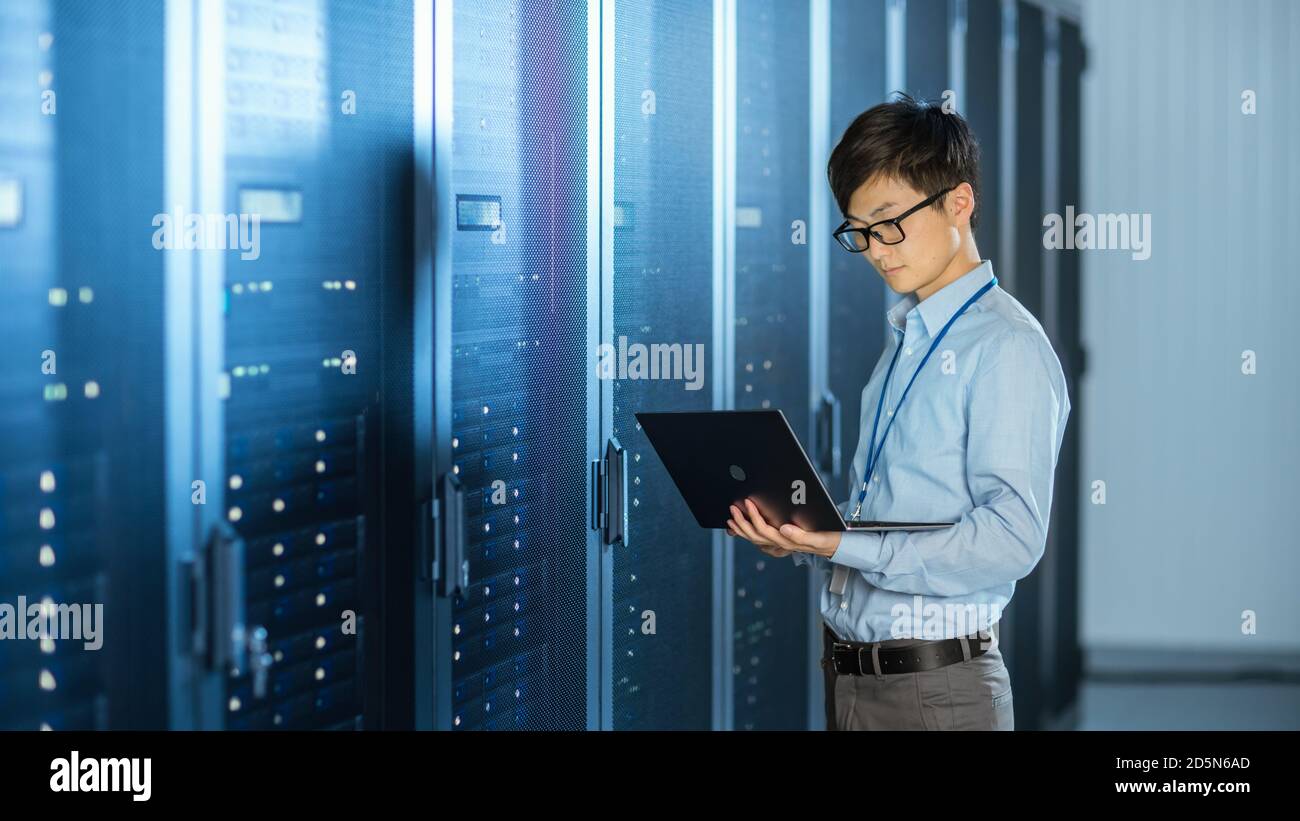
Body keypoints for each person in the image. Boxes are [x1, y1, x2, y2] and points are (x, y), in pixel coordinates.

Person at [726, 94, 1070, 730]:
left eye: (889, 222)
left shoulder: (1006, 348)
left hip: (937, 692)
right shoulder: (908, 341)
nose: (876, 250)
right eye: (858, 232)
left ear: (957, 203)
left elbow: (1012, 539)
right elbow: (902, 513)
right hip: (852, 680)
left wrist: (847, 547)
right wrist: (806, 542)